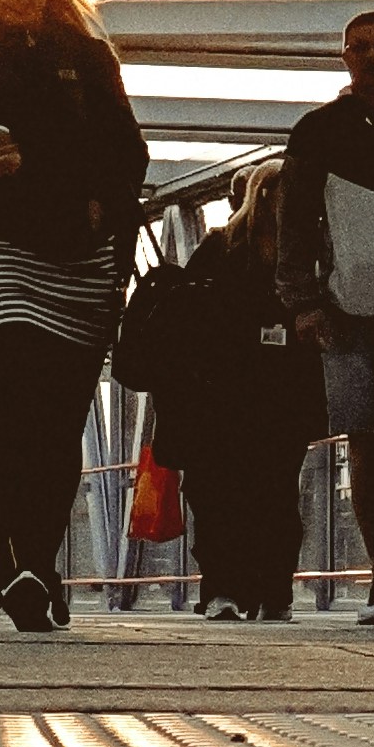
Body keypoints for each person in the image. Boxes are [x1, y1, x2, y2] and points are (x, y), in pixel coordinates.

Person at [0, 0, 146, 633]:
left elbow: (130, 153)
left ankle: (38, 566)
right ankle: (24, 559)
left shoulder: (89, 57)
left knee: (58, 422)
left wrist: (99, 210)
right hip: (6, 254)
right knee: (12, 403)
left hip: (82, 258)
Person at [277, 6, 374, 622]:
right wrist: (304, 302)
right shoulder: (317, 132)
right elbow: (293, 225)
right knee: (366, 445)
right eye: (360, 47)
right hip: (349, 308)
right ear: (345, 57)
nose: (371, 56)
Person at [125, 174, 317, 624]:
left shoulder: (222, 248)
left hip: (238, 397)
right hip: (253, 395)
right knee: (262, 495)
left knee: (233, 496)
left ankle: (236, 590)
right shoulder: (298, 253)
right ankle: (262, 591)